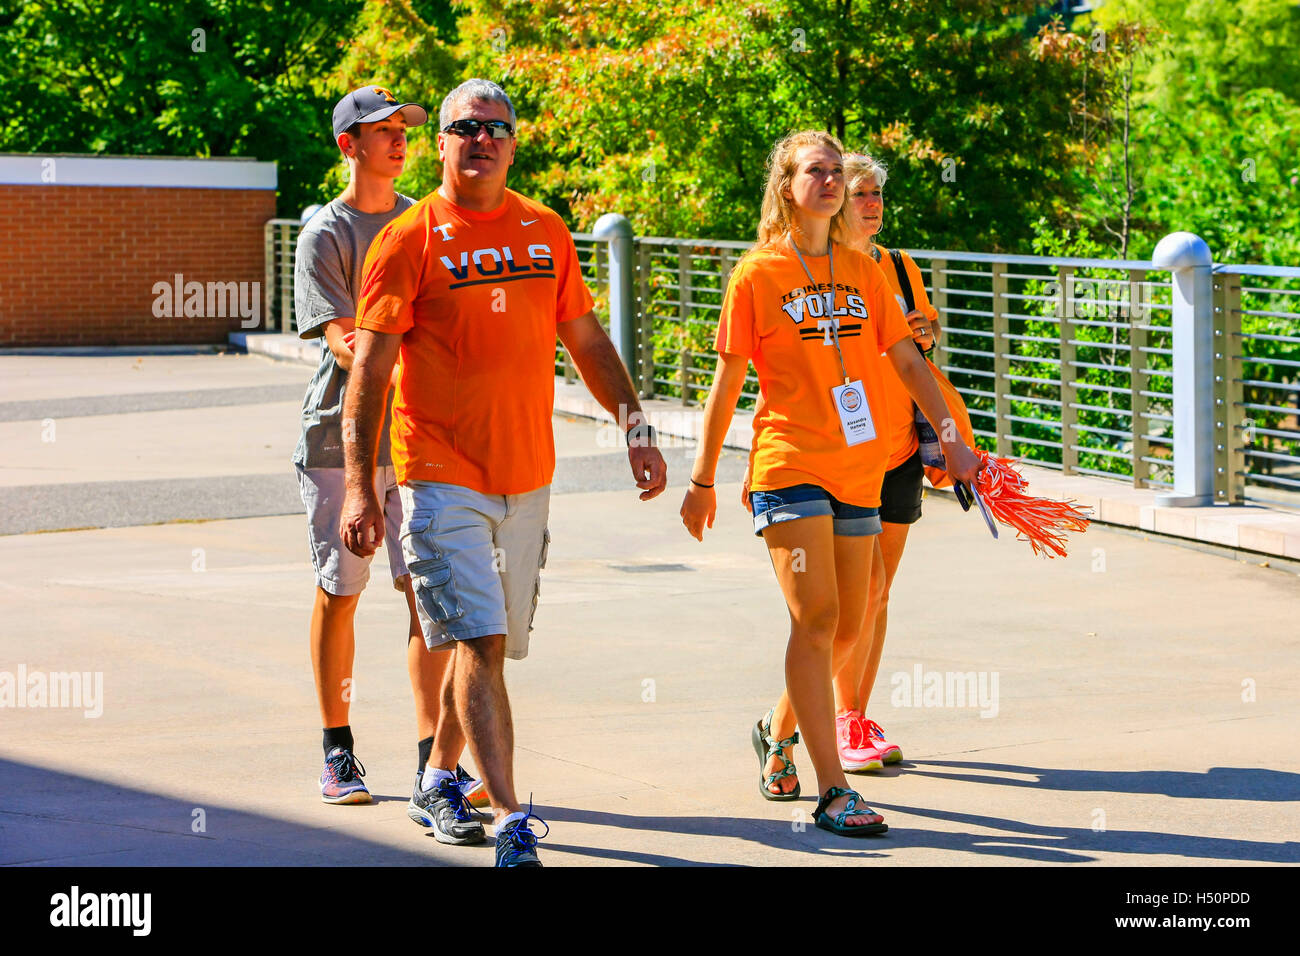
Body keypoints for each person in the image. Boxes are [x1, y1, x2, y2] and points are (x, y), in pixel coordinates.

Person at [339, 78, 668, 867]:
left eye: (496, 128)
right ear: (443, 144)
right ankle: (515, 821)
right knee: (480, 640)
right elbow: (370, 374)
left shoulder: (544, 230)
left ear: (513, 143)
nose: (481, 138)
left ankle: (438, 777)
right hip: (438, 473)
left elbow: (586, 340)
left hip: (527, 478)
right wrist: (360, 482)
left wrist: (635, 427)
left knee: (483, 645)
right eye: (465, 127)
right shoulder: (409, 239)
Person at [680, 130, 979, 838]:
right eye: (816, 172)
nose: (832, 183)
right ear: (788, 187)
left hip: (860, 468)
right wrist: (702, 479)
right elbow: (727, 382)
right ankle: (834, 790)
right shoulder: (756, 274)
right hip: (789, 464)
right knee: (816, 617)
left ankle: (775, 729)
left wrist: (953, 439)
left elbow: (908, 362)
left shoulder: (862, 268)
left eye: (838, 173)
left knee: (853, 618)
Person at [292, 85, 484, 839]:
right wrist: (425, 371)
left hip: (418, 441)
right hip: (338, 441)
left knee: (425, 600)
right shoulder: (325, 233)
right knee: (342, 588)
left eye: (405, 128)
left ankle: (428, 762)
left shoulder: (423, 222)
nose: (401, 138)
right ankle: (337, 750)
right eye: (383, 130)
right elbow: (346, 341)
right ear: (349, 145)